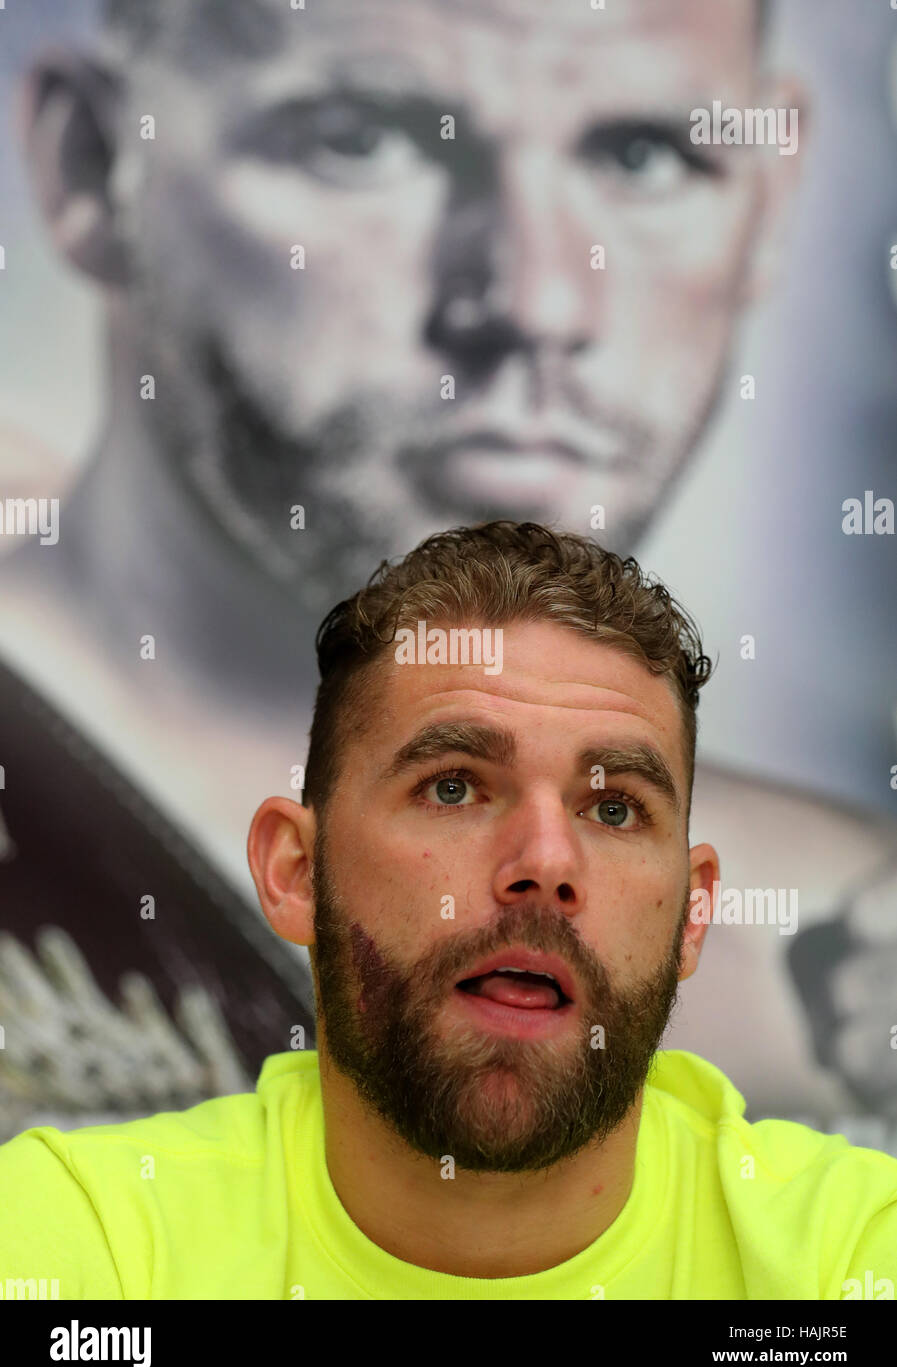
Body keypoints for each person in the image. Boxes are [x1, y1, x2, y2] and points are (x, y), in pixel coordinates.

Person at [1, 0, 894, 1136]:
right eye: (361, 141)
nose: (538, 303)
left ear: (772, 197)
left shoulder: (838, 959)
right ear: (91, 164)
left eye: (642, 155)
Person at [0, 520, 894, 1300]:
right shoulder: (83, 1243)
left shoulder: (849, 1255)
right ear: (296, 872)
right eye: (456, 786)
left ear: (692, 915)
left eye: (614, 807)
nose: (545, 864)